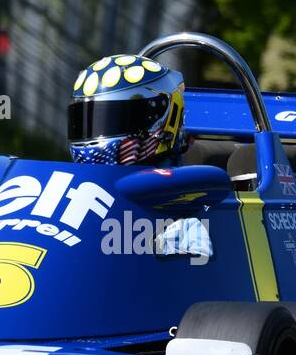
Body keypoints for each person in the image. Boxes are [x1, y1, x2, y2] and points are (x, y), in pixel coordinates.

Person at [67, 54, 212, 262]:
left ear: (164, 116)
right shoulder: (66, 191)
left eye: (114, 120)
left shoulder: (186, 204)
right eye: (88, 120)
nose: (97, 131)